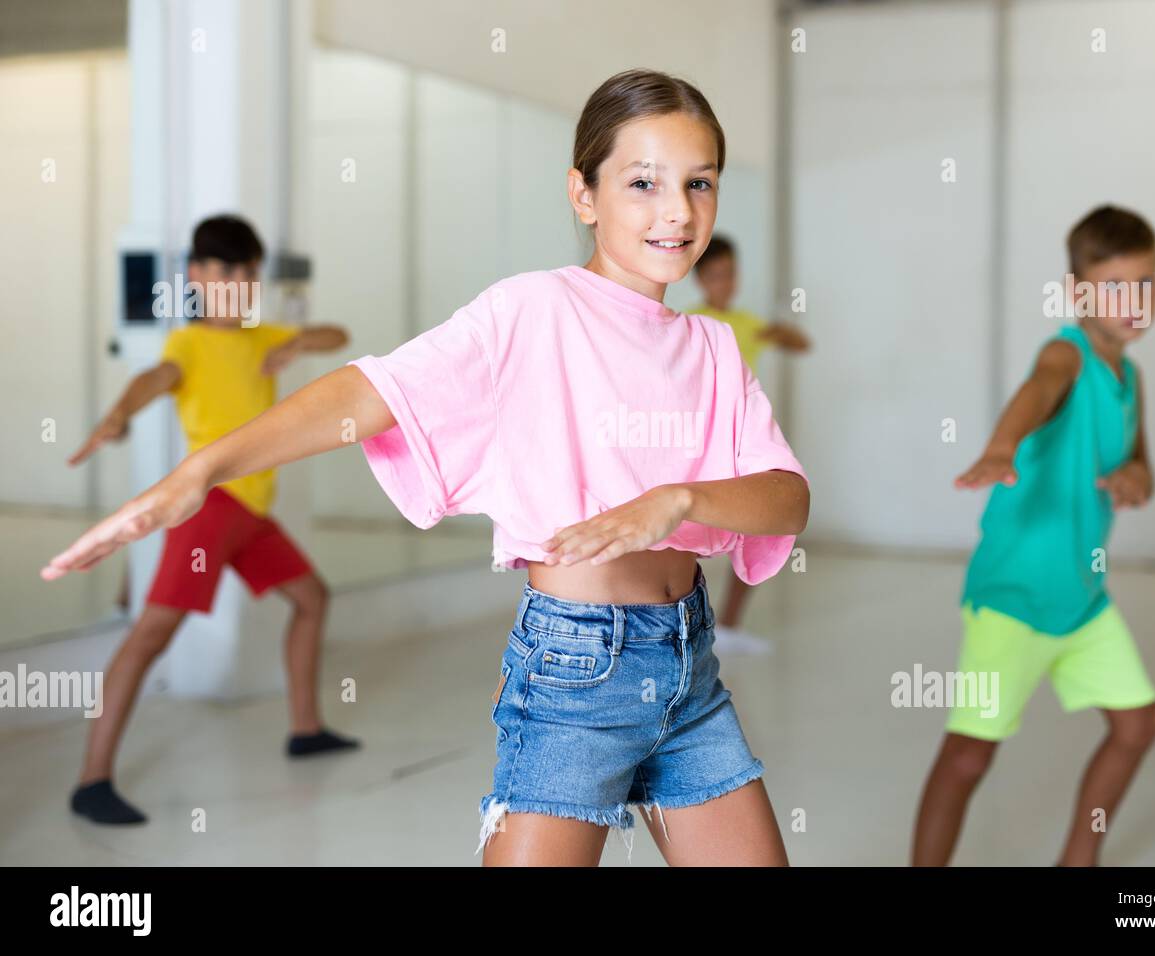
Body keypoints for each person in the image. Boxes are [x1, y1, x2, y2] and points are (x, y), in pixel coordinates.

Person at [43, 71, 810, 866]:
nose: (677, 210)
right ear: (583, 194)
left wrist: (676, 499)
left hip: (689, 669)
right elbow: (368, 392)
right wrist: (199, 471)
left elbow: (786, 500)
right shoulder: (533, 310)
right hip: (577, 670)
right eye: (643, 183)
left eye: (699, 183)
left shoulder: (714, 347)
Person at [63, 215, 357, 825]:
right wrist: (120, 412)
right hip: (210, 511)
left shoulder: (260, 338)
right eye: (225, 270)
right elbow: (156, 378)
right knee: (151, 635)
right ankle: (91, 780)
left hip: (252, 514)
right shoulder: (190, 343)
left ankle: (305, 729)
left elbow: (338, 334)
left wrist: (297, 342)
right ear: (197, 275)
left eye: (249, 271)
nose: (238, 282)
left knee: (312, 599)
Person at [912, 205, 1155, 866]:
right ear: (1078, 293)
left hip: (1081, 599)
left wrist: (1137, 476)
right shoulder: (1067, 352)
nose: (1134, 301)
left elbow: (1140, 464)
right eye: (1115, 286)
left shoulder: (1131, 378)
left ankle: (1078, 859)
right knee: (969, 756)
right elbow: (1040, 386)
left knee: (1139, 724)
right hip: (1015, 597)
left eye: (1146, 283)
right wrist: (1001, 446)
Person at [691, 235, 810, 653]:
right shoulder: (692, 322)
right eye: (717, 276)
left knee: (757, 526)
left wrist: (781, 331)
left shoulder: (746, 323)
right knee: (693, 533)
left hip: (745, 441)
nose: (726, 283)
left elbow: (802, 344)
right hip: (705, 441)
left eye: (731, 274)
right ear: (701, 279)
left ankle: (728, 624)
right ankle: (692, 624)